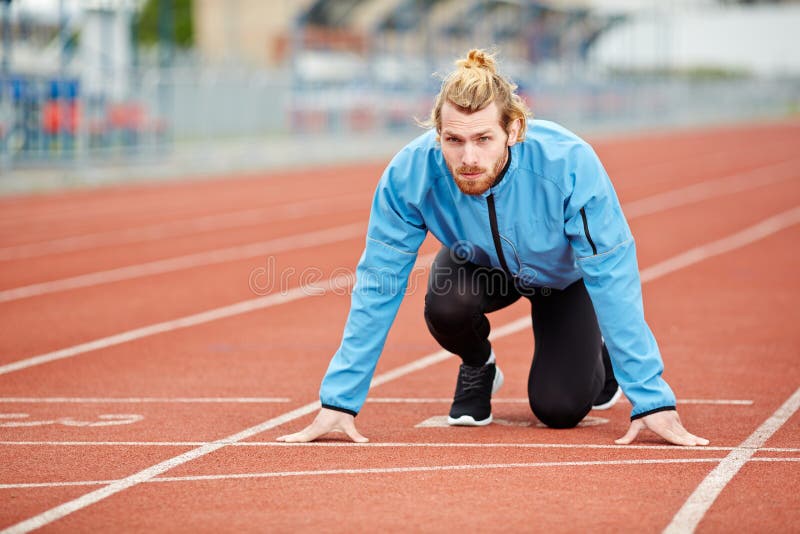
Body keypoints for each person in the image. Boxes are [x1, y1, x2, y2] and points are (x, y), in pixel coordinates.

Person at [278, 49, 708, 447]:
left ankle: (605, 358)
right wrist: (338, 401)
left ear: (513, 129)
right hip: (480, 266)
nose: (468, 157)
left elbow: (612, 273)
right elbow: (378, 283)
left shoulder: (569, 163)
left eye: (483, 139)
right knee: (445, 304)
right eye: (453, 140)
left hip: (565, 280)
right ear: (437, 133)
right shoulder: (409, 175)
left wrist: (650, 397)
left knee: (558, 410)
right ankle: (479, 367)